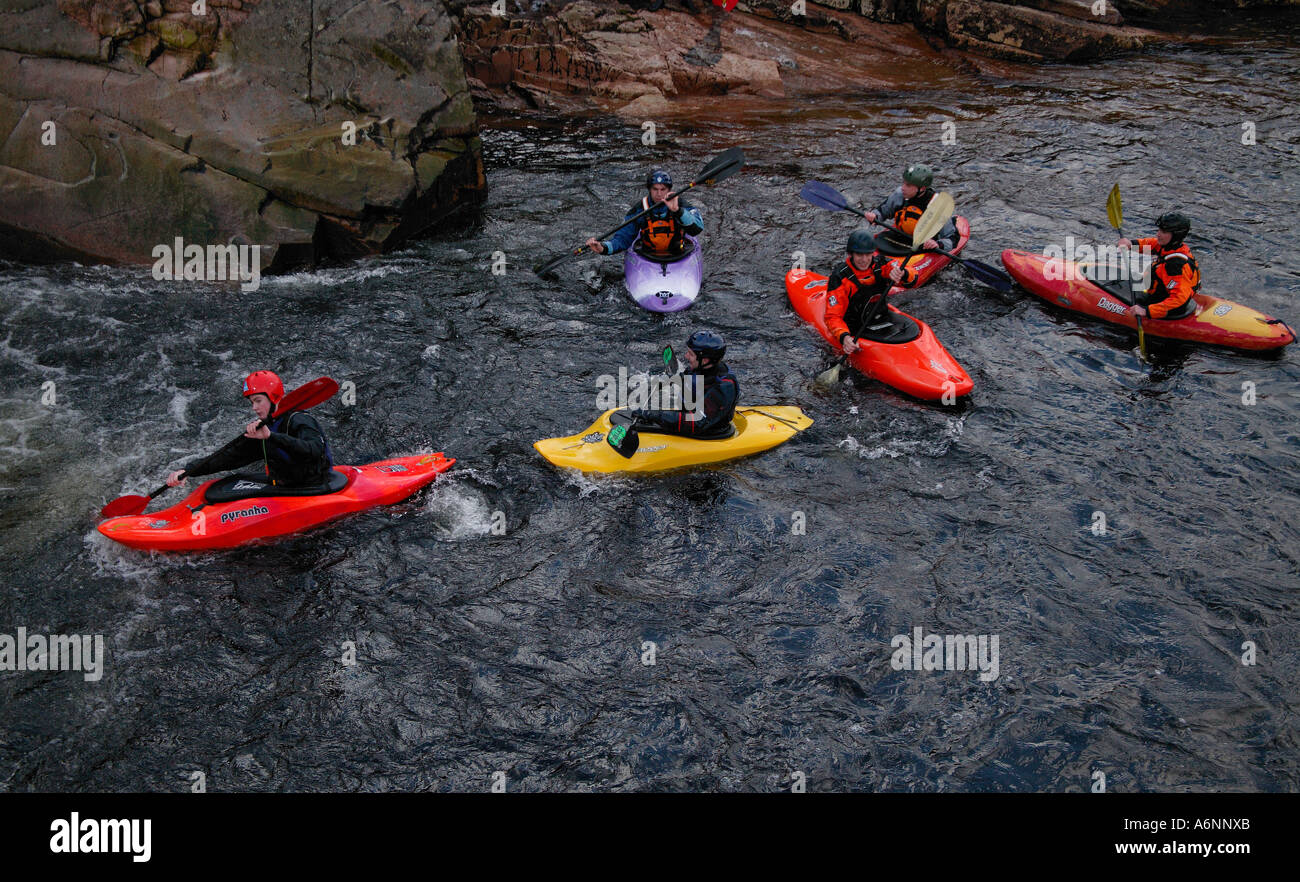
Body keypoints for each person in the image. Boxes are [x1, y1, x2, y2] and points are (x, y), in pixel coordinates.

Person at [165, 370, 334, 492]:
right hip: (283, 487)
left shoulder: (299, 420)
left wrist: (272, 437)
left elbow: (314, 450)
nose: (254, 408)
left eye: (258, 400)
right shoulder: (263, 429)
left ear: (273, 397)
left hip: (313, 486)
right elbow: (229, 457)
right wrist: (189, 470)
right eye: (252, 402)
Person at [618, 331, 738, 439]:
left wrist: (653, 415)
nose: (686, 356)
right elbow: (686, 378)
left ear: (705, 360)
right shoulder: (701, 367)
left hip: (707, 433)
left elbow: (697, 422)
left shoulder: (724, 387)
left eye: (690, 354)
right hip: (692, 419)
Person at [824, 230, 918, 353]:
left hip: (881, 317)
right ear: (850, 254)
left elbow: (913, 276)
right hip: (854, 326)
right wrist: (844, 337)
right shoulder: (840, 278)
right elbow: (833, 316)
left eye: (868, 254)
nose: (864, 259)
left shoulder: (882, 264)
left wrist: (903, 273)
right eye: (859, 255)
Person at [586, 169, 704, 259]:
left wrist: (678, 211)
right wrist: (603, 248)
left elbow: (697, 229)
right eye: (655, 189)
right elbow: (623, 239)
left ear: (669, 190)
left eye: (663, 189)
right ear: (649, 189)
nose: (659, 194)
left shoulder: (681, 204)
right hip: (648, 255)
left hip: (679, 253)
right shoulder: (639, 209)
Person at [1117, 212, 1200, 320]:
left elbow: (1179, 301)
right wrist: (1131, 244)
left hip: (1166, 306)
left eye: (1164, 231)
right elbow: (1152, 244)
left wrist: (1146, 311)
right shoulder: (1173, 247)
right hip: (1162, 293)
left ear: (1176, 235)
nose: (1158, 234)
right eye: (1159, 230)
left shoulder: (1175, 266)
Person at [863, 163, 959, 254]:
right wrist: (874, 216)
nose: (903, 188)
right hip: (898, 237)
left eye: (908, 185)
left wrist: (938, 244)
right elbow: (882, 212)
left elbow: (952, 239)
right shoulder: (900, 194)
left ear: (922, 188)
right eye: (903, 183)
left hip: (923, 246)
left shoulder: (937, 205)